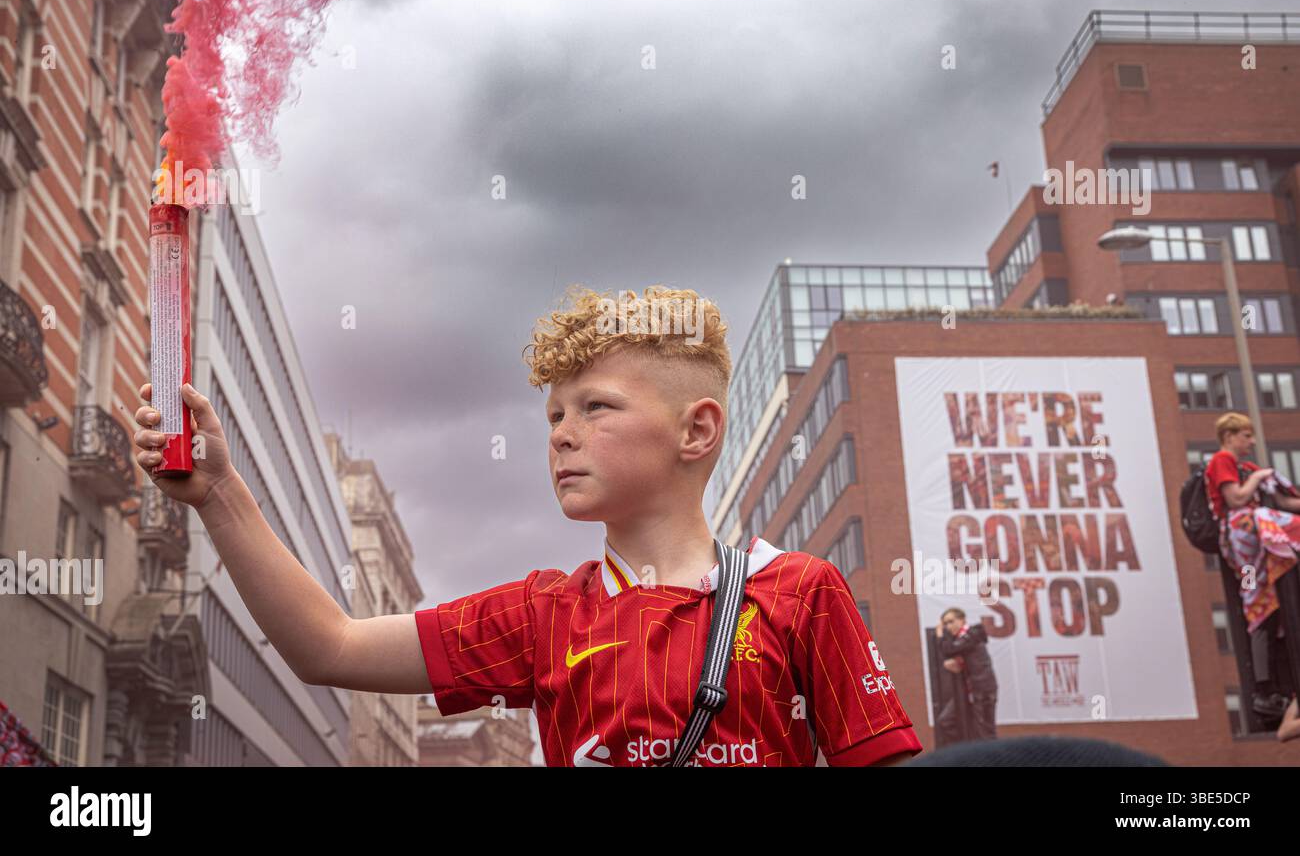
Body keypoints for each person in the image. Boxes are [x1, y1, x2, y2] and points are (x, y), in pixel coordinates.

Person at [133, 285, 922, 767]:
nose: (560, 433)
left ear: (697, 431)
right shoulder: (542, 615)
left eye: (595, 407)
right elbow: (327, 645)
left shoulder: (802, 594)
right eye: (551, 414)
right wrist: (219, 493)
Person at [1205, 412, 1300, 722]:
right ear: (1230, 436)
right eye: (1246, 436)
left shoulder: (1246, 467)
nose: (1251, 442)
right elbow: (1236, 499)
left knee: (1270, 607)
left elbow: (1284, 504)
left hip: (1255, 540)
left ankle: (1274, 684)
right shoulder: (1222, 460)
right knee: (1255, 601)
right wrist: (1258, 478)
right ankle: (1263, 688)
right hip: (1242, 542)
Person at [933, 607, 997, 742]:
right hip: (967, 691)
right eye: (946, 623)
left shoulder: (973, 633)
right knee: (946, 721)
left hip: (982, 689)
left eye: (951, 621)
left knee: (985, 731)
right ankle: (964, 750)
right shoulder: (959, 640)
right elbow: (950, 653)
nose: (949, 626)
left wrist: (940, 635)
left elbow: (948, 650)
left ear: (962, 620)